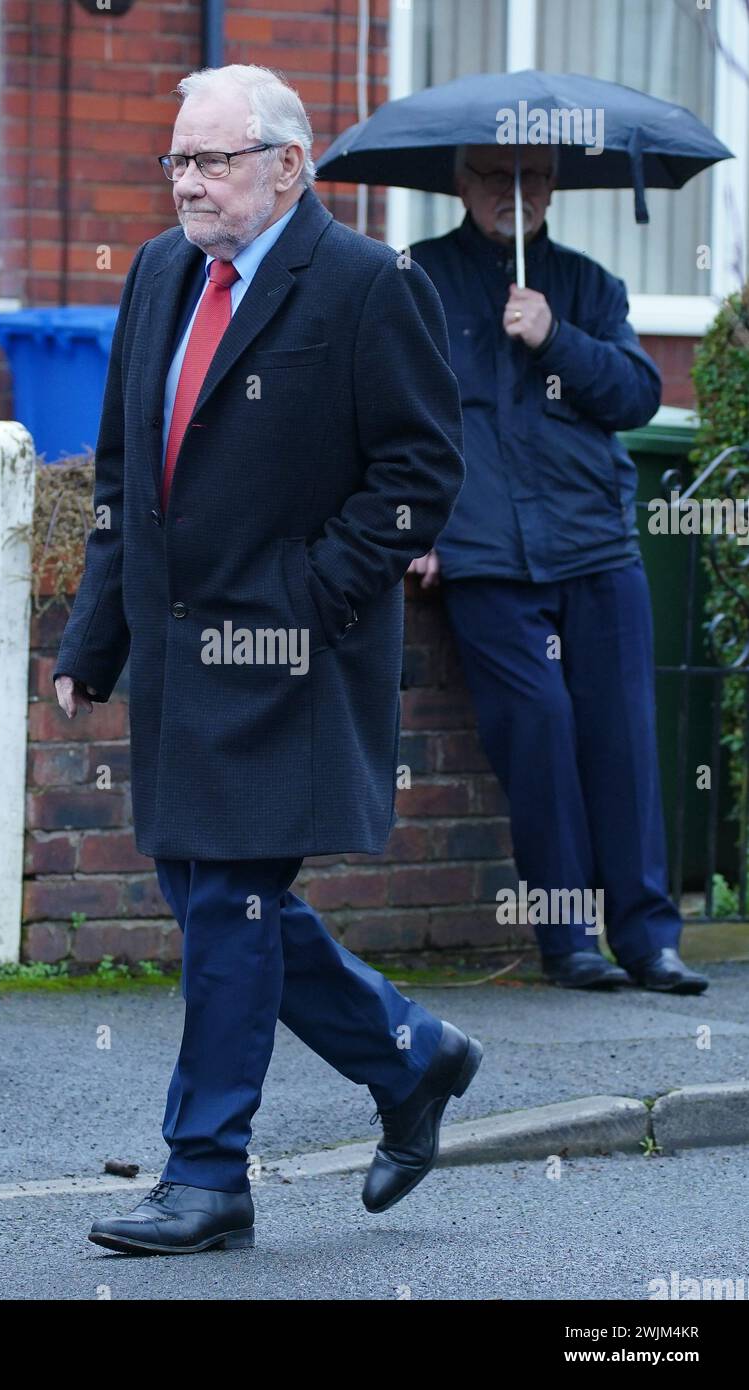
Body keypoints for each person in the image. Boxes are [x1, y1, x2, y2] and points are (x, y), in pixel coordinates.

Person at [52, 64, 474, 1255]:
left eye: (213, 160)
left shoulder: (362, 285)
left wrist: (311, 593)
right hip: (185, 667)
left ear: (288, 165)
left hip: (291, 655)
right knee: (218, 900)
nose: (189, 182)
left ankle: (205, 1173)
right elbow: (126, 478)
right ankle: (414, 1055)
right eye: (178, 160)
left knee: (227, 906)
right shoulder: (155, 270)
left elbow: (419, 475)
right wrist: (94, 641)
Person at [407, 142, 708, 997]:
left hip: (594, 546)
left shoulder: (587, 285)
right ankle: (566, 938)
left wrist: (553, 336)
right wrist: (410, 523)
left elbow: (635, 397)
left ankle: (648, 940)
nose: (516, 192)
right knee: (536, 731)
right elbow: (392, 412)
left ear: (552, 190)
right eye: (496, 177)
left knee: (621, 739)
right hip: (485, 554)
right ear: (461, 186)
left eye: (533, 178)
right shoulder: (418, 280)